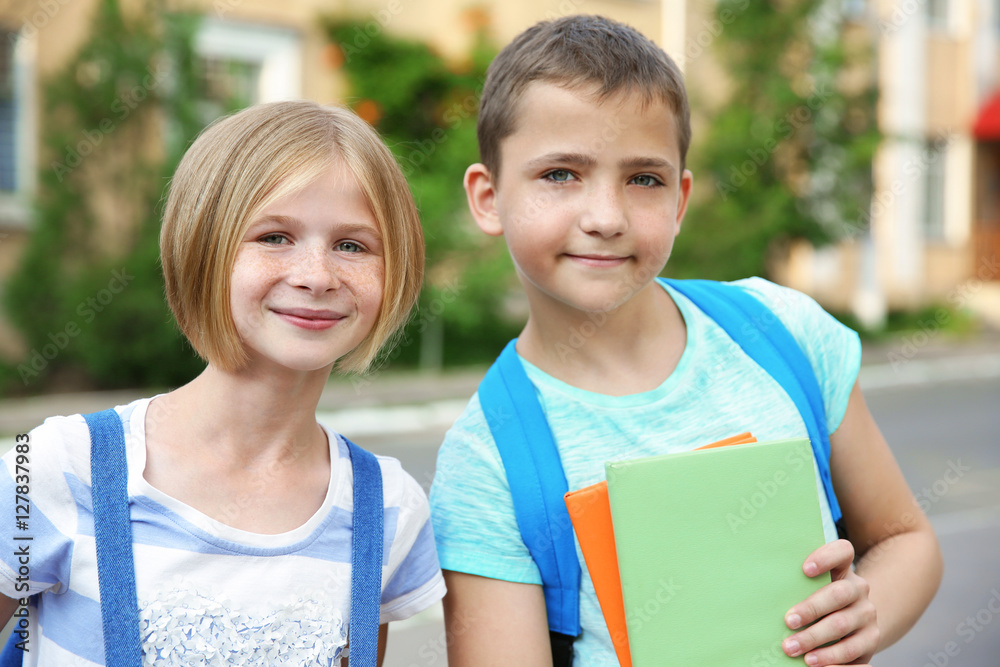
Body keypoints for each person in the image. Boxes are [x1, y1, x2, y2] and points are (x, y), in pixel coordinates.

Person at [429, 14, 942, 667]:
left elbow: (906, 538)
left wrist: (864, 611)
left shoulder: (782, 332)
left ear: (680, 198)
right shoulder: (487, 464)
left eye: (644, 178)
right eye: (561, 173)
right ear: (488, 197)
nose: (606, 217)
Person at [0, 100, 445, 666]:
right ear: (201, 250)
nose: (315, 276)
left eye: (352, 245)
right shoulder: (57, 467)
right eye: (274, 236)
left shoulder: (386, 510)